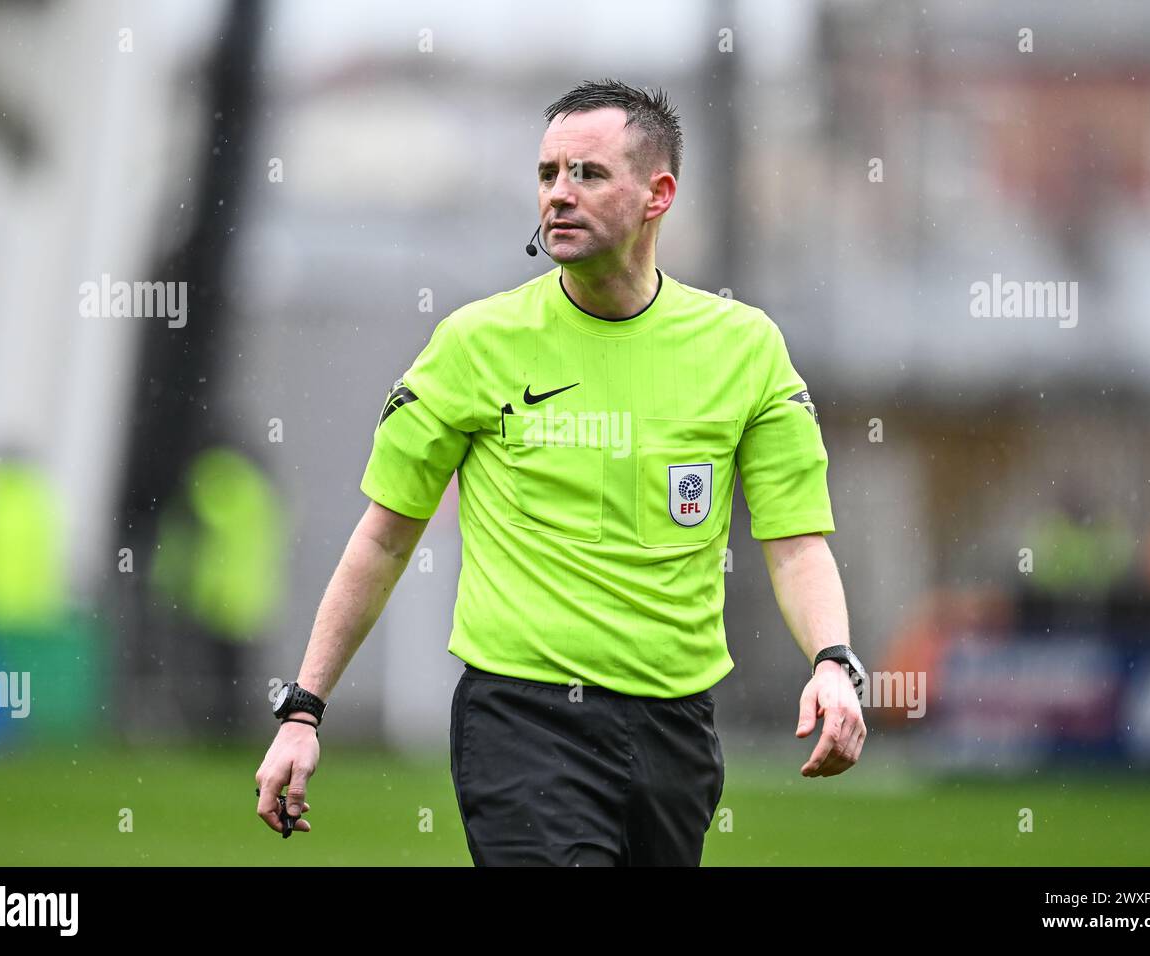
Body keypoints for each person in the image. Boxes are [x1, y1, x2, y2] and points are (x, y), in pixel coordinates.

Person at [255, 78, 867, 865]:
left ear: (659, 194)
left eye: (587, 174)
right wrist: (304, 711)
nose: (558, 196)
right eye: (548, 175)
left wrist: (833, 661)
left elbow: (795, 542)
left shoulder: (745, 349)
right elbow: (382, 539)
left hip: (674, 731)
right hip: (522, 721)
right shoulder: (476, 345)